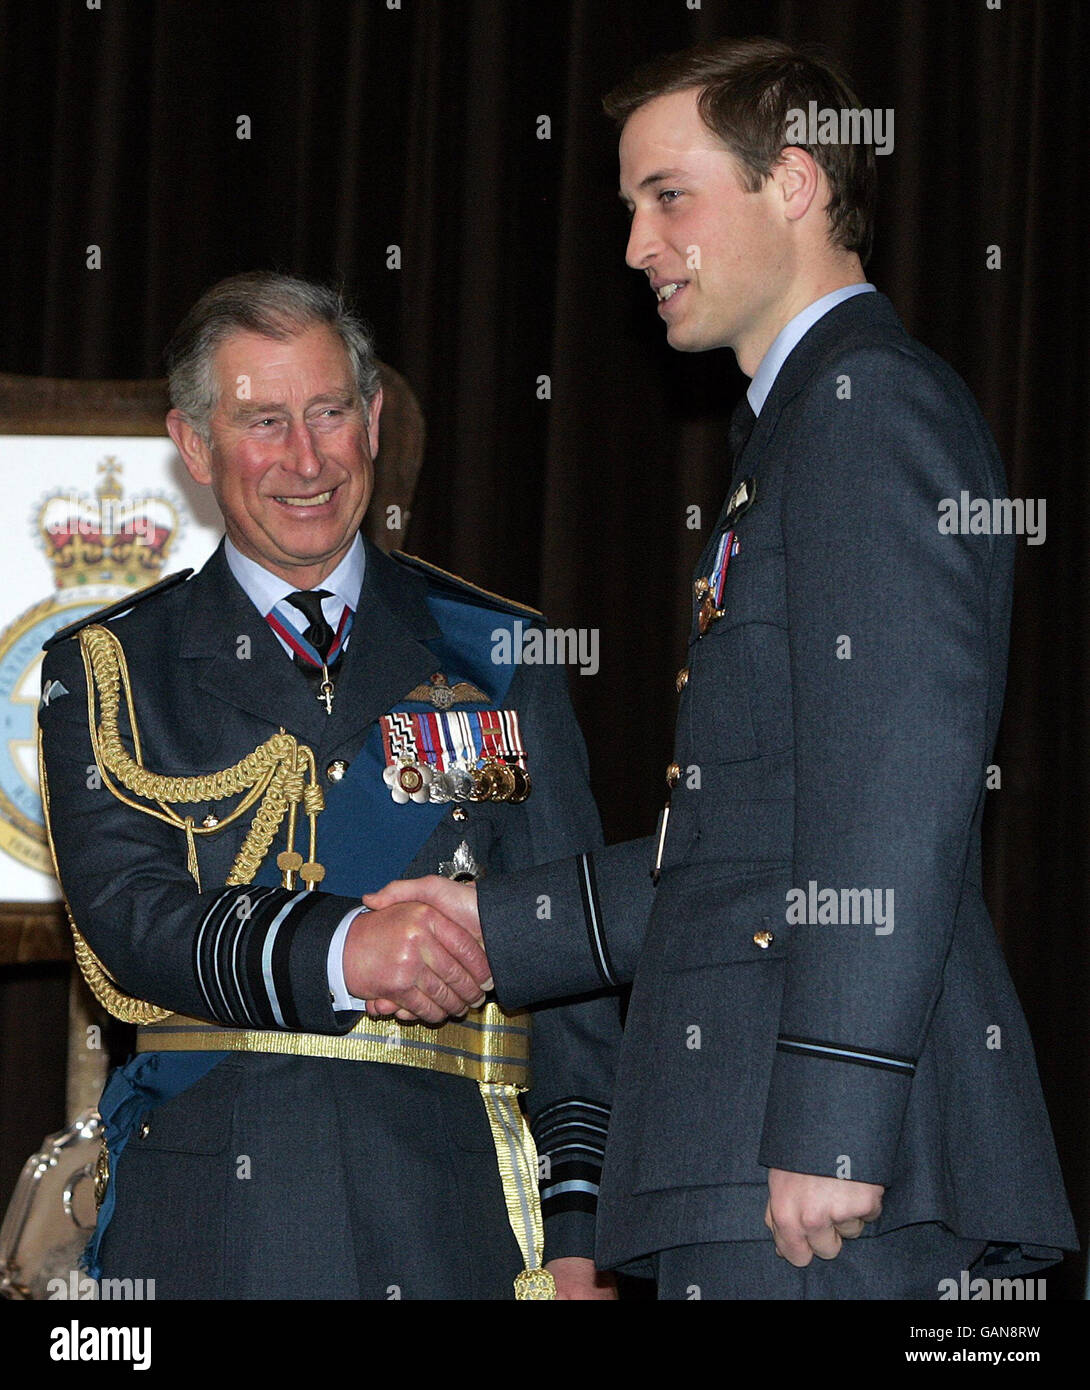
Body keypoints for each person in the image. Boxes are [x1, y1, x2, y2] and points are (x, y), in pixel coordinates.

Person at [366, 38, 1077, 1298]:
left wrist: (835, 1105)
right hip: (755, 1144)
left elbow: (896, 787)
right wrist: (499, 920)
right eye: (629, 206)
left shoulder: (866, 411)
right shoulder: (805, 426)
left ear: (793, 183)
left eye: (668, 195)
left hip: (818, 1164)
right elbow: (750, 849)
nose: (636, 244)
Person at [37, 271, 620, 1300]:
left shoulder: (497, 651)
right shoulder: (107, 669)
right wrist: (350, 947)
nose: (305, 460)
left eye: (329, 413)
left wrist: (579, 1230)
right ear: (195, 442)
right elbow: (131, 922)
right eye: (264, 421)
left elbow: (571, 969)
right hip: (208, 1226)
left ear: (374, 419)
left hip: (456, 1224)